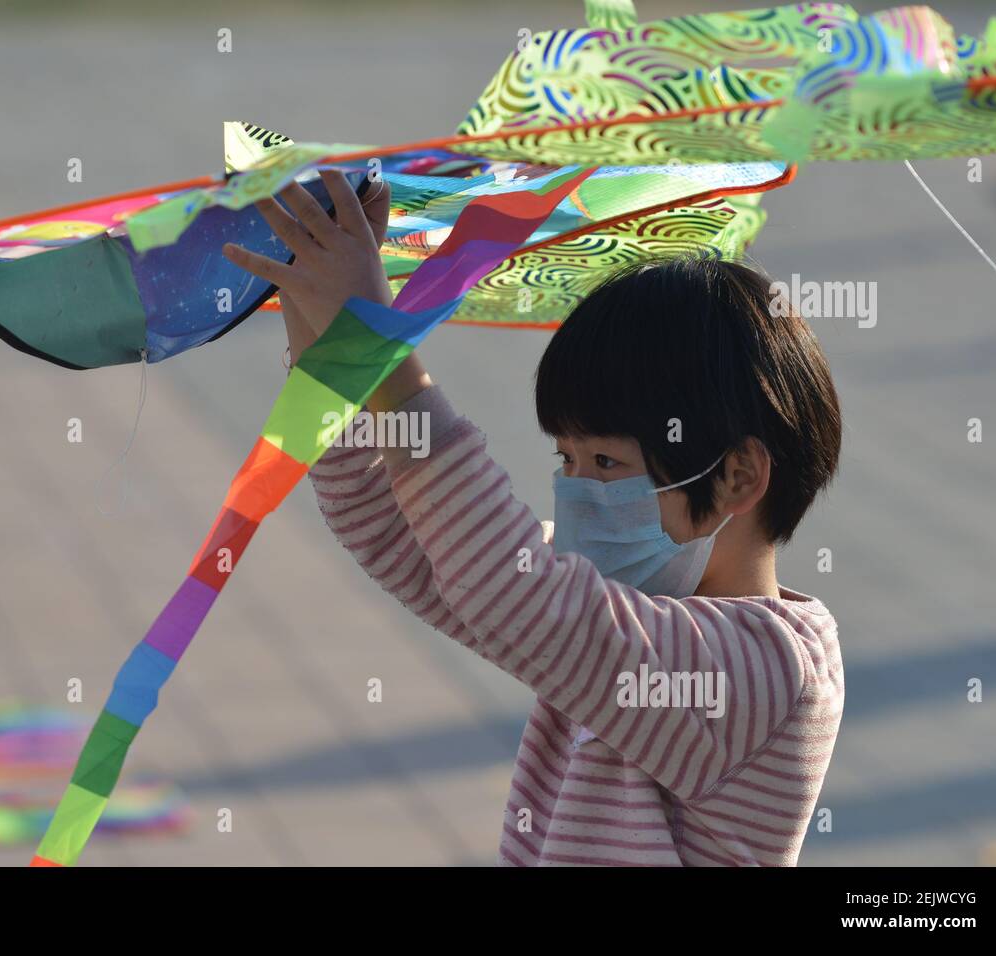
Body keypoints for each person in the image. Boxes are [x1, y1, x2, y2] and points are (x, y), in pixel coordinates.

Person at [224, 169, 844, 866]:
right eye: (566, 460)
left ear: (737, 477)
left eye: (606, 465)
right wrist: (327, 321)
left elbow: (507, 588)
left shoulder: (765, 670)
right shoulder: (624, 608)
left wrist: (378, 339)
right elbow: (392, 526)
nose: (575, 492)